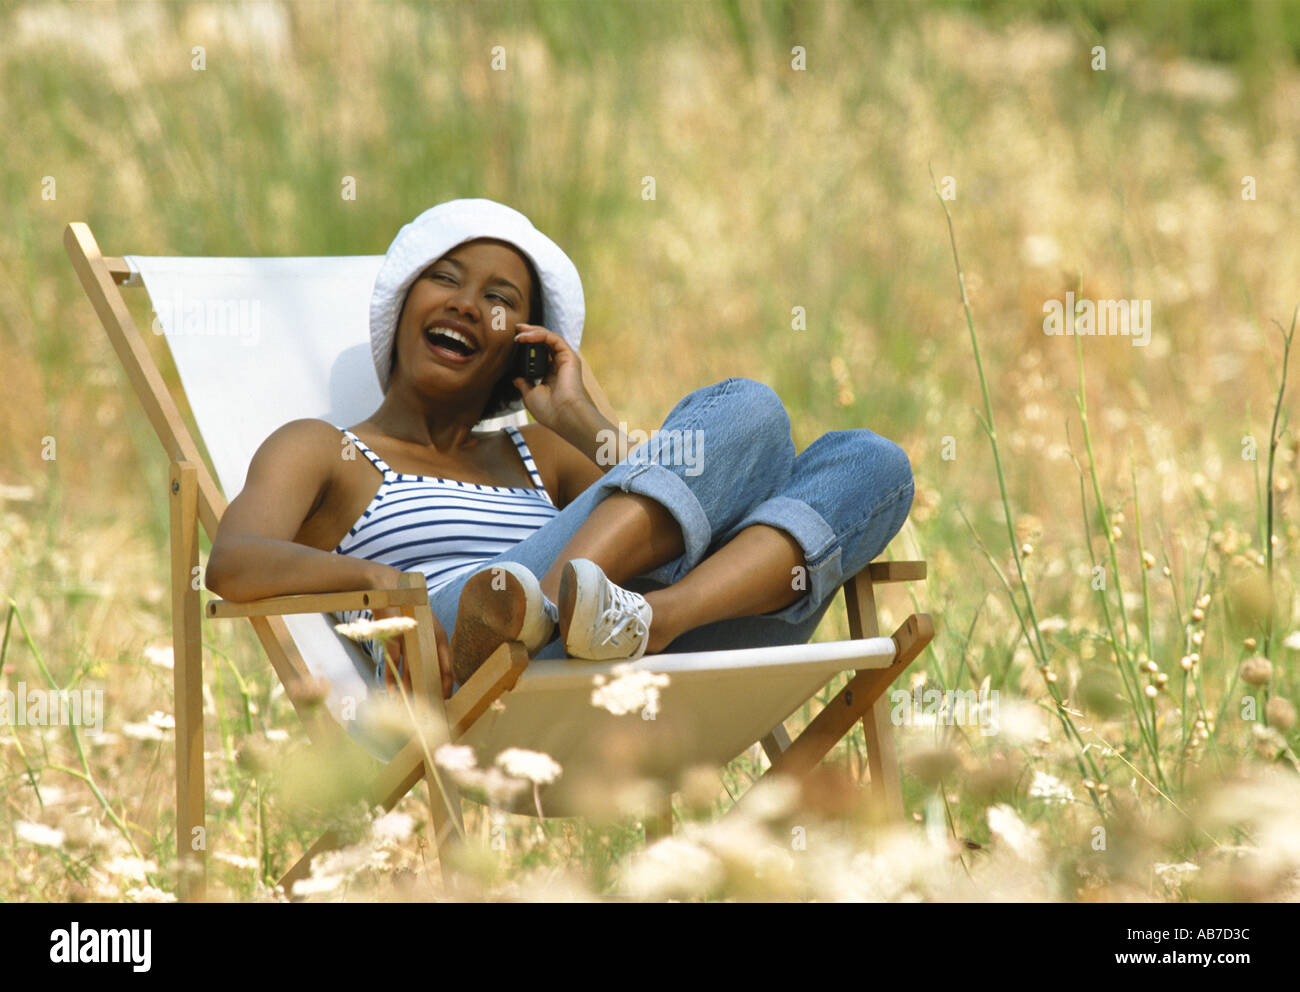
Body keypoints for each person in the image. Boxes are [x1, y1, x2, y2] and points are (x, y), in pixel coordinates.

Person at [205, 198, 915, 701]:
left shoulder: (543, 453)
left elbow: (700, 493)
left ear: (523, 347)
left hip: (631, 655)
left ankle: (642, 619)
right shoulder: (326, 448)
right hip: (455, 647)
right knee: (753, 406)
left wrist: (578, 419)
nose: (466, 303)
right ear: (401, 307)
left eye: (499, 299)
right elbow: (233, 562)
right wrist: (385, 585)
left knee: (871, 463)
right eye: (445, 279)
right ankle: (526, 615)